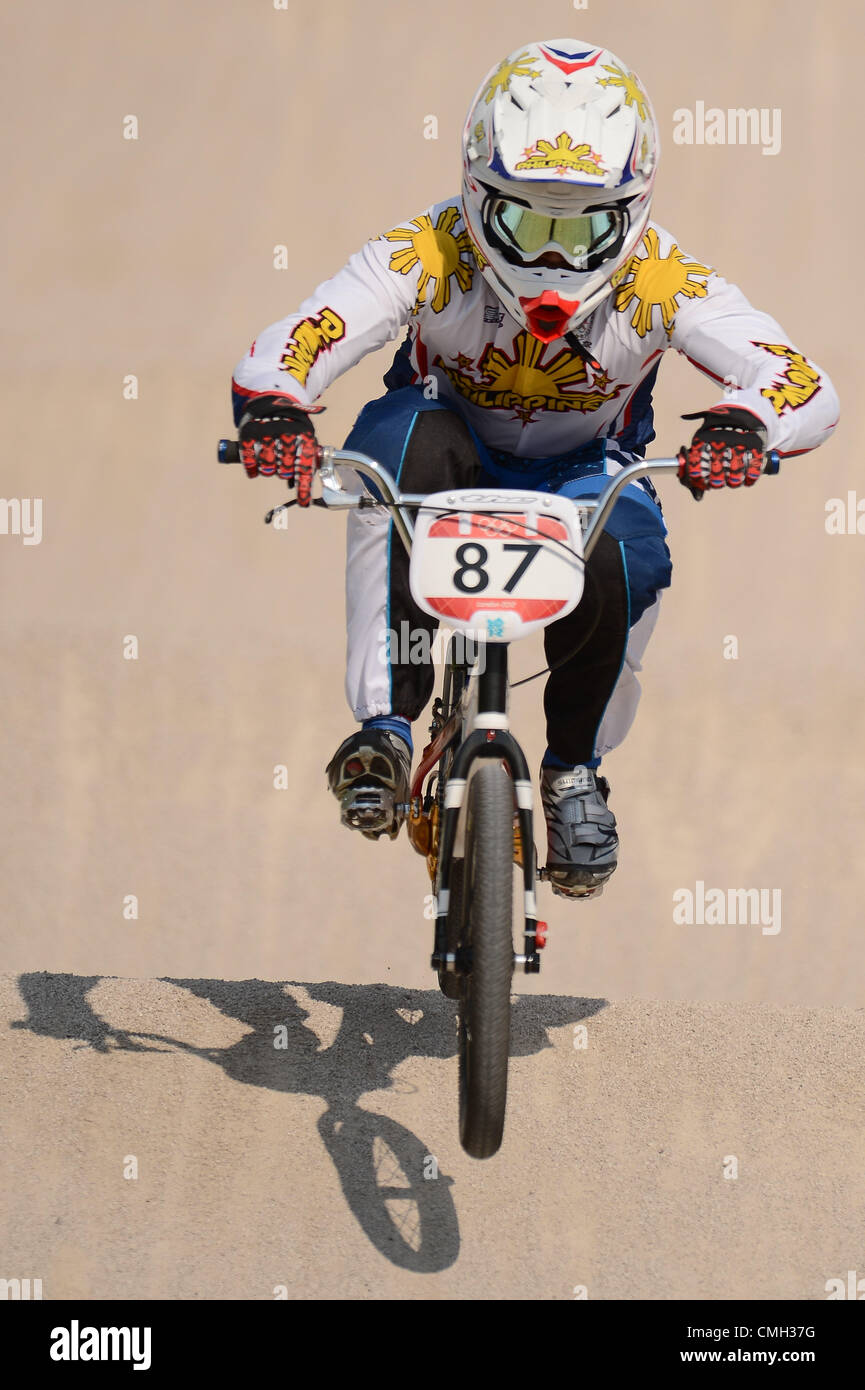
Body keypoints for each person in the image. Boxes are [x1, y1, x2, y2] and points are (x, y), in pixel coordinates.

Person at [231, 39, 838, 899]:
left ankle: (572, 773)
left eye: (582, 227)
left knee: (630, 553)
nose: (552, 259)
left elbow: (803, 382)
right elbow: (304, 334)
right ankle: (384, 725)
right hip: (445, 458)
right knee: (386, 448)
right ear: (478, 196)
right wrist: (276, 406)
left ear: (631, 211)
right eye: (528, 222)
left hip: (588, 475)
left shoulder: (664, 278)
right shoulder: (426, 249)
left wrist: (746, 421)